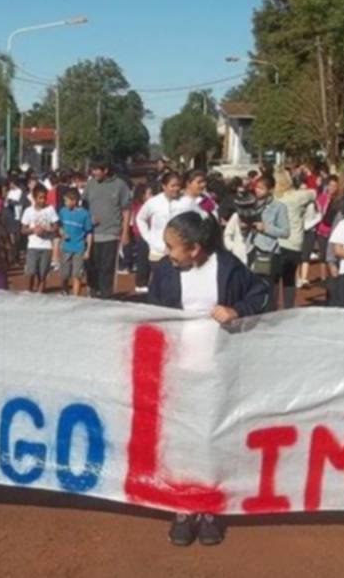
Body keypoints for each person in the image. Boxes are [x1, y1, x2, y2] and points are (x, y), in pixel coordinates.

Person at [146, 211, 270, 548]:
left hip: (219, 370)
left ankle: (211, 508)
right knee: (181, 440)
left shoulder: (228, 268)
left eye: (173, 247)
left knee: (214, 438)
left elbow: (262, 294)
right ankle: (184, 508)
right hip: (179, 370)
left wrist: (236, 310)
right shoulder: (164, 273)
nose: (168, 253)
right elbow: (151, 310)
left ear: (195, 249)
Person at [83, 161, 132, 299]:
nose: (94, 173)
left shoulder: (120, 185)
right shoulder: (91, 184)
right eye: (92, 170)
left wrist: (125, 232)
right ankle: (93, 291)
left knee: (107, 268)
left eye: (97, 170)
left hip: (111, 234)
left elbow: (126, 210)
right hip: (92, 235)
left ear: (106, 170)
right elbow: (84, 205)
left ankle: (106, 297)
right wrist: (88, 218)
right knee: (91, 266)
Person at [136, 172, 189, 288]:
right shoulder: (153, 202)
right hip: (158, 251)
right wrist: (149, 238)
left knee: (177, 283)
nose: (176, 189)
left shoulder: (186, 202)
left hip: (179, 250)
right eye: (173, 185)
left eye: (178, 185)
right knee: (158, 283)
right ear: (164, 186)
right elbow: (140, 218)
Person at [245, 175, 290, 310]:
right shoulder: (251, 204)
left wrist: (265, 228)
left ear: (270, 189)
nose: (258, 191)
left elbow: (285, 232)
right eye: (256, 188)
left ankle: (268, 316)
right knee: (251, 285)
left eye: (261, 188)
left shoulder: (278, 207)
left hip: (267, 252)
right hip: (251, 249)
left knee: (265, 286)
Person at [274, 170, 317, 309]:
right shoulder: (298, 197)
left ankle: (272, 308)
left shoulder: (274, 198)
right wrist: (309, 175)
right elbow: (314, 192)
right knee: (289, 280)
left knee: (274, 279)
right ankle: (288, 309)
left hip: (276, 242)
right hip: (293, 243)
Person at [20, 184, 59, 293]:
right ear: (34, 197)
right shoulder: (28, 211)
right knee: (31, 271)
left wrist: (48, 230)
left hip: (46, 246)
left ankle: (40, 293)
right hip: (33, 246)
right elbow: (23, 230)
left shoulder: (50, 209)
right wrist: (33, 230)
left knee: (42, 273)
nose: (42, 200)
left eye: (44, 197)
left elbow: (56, 226)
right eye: (40, 198)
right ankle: (29, 291)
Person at [58, 188, 94, 297]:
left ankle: (75, 297)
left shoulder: (85, 214)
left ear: (74, 201)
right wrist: (63, 234)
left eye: (67, 200)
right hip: (66, 248)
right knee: (64, 274)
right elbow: (59, 226)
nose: (65, 203)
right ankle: (64, 289)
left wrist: (88, 250)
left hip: (79, 248)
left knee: (77, 274)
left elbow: (89, 233)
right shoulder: (63, 211)